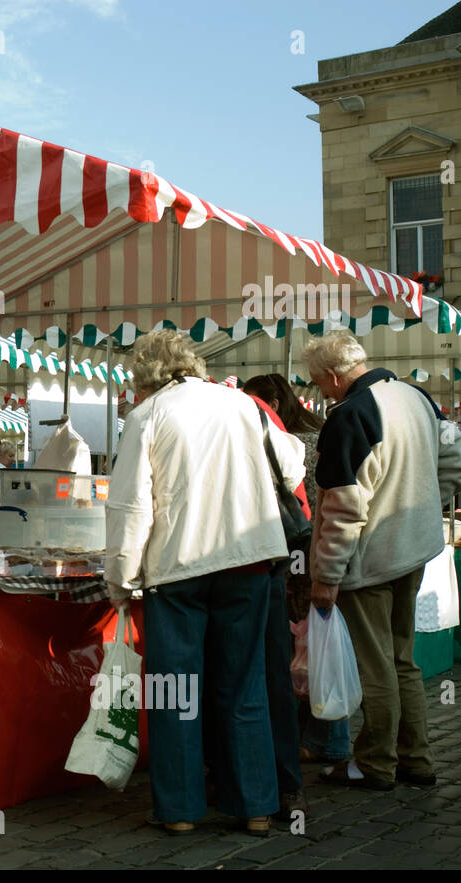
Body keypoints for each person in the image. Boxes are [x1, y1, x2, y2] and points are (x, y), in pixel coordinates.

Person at [105, 330, 305, 836]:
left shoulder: (148, 416)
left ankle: (178, 810)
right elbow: (292, 462)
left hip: (180, 566)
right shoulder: (244, 404)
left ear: (146, 376)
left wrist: (121, 577)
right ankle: (256, 805)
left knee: (177, 691)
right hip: (249, 559)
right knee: (244, 685)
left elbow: (130, 505)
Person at [303, 332, 461, 790]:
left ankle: (376, 764)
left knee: (377, 666)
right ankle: (415, 759)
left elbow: (342, 510)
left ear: (334, 377)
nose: (321, 391)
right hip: (412, 551)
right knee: (402, 660)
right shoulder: (415, 397)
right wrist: (421, 506)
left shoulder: (350, 416)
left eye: (320, 383)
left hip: (372, 560)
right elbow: (459, 461)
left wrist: (326, 576)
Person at [243, 373, 349, 768]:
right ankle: (318, 738)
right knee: (314, 645)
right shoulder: (315, 433)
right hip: (315, 547)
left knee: (302, 647)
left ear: (270, 402)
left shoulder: (284, 440)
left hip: (293, 550)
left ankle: (327, 740)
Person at [238, 375, 317, 820]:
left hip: (268, 559)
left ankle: (261, 784)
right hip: (286, 552)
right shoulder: (274, 423)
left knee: (262, 670)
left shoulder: (256, 416)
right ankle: (295, 774)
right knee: (286, 663)